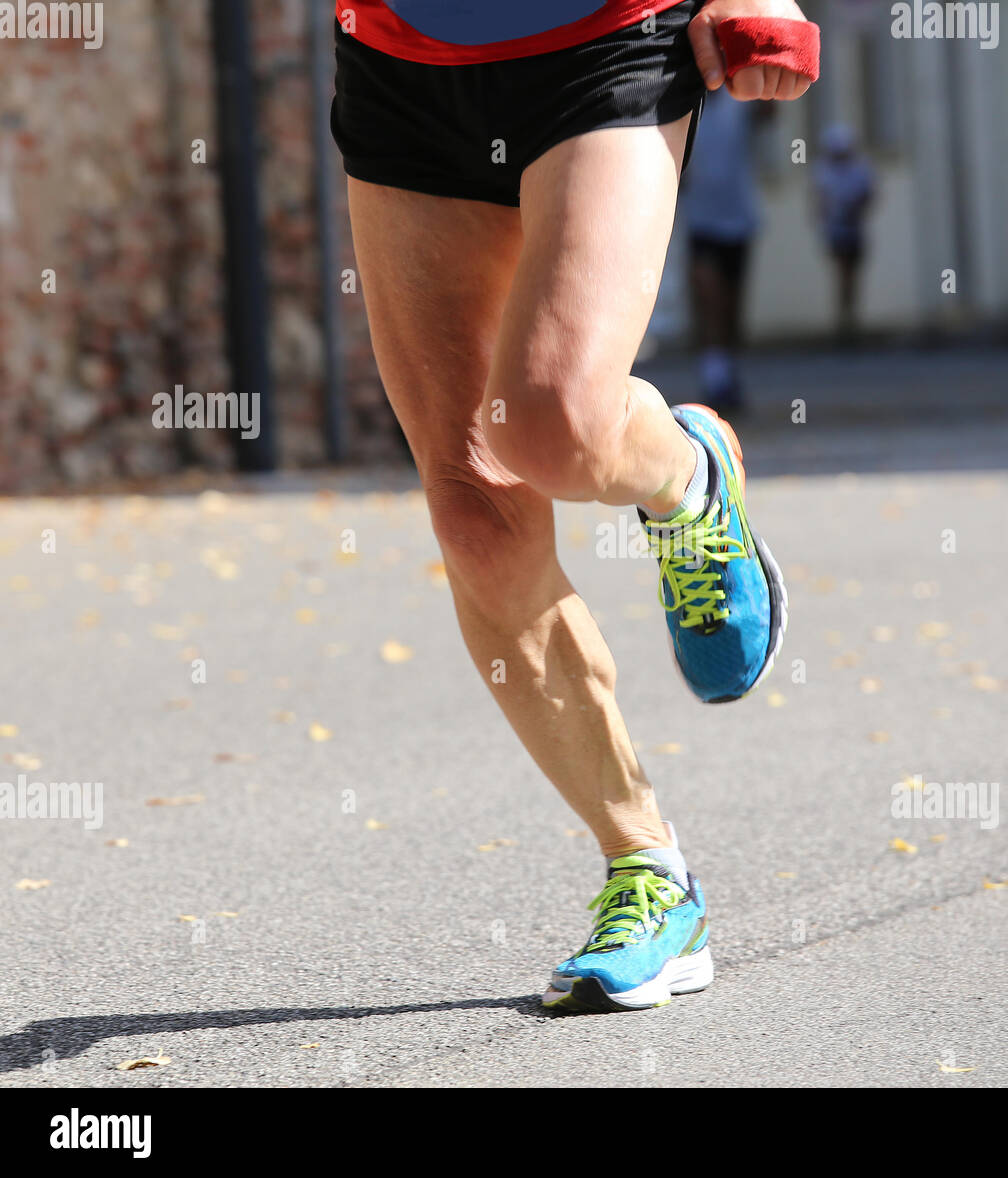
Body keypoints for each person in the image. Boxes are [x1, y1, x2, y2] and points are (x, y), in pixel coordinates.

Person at [330, 0, 817, 1012]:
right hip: (400, 56)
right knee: (472, 509)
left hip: (602, 37)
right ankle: (648, 870)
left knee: (551, 419)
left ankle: (685, 479)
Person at [679, 89, 768, 411]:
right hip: (701, 220)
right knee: (709, 296)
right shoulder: (686, 106)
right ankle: (713, 376)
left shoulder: (741, 101)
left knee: (732, 305)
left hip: (739, 218)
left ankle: (727, 373)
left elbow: (769, 113)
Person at [812, 124, 874, 339]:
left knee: (852, 274)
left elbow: (869, 194)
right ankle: (844, 318)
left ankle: (850, 316)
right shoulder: (824, 170)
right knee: (842, 272)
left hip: (853, 227)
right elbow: (819, 200)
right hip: (836, 229)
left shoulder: (859, 168)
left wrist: (855, 207)